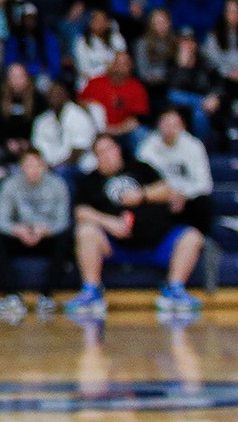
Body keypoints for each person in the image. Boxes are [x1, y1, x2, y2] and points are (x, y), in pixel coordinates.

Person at [66, 134, 206, 319]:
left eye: (109, 149)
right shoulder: (89, 181)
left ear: (118, 150)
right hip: (115, 246)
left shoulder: (141, 168)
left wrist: (142, 195)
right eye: (100, 152)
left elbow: (166, 190)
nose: (106, 155)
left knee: (192, 237)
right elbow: (81, 212)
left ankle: (175, 290)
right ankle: (92, 291)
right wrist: (109, 223)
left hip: (157, 243)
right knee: (86, 232)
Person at [0, 149, 75, 318]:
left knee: (67, 236)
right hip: (20, 236)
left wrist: (46, 230)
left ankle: (46, 295)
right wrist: (17, 230)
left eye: (37, 165)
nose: (33, 170)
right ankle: (13, 294)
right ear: (21, 168)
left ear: (44, 166)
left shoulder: (58, 185)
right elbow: (1, 221)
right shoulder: (10, 185)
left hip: (46, 237)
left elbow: (63, 221)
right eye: (28, 165)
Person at [137, 107, 214, 235]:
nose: (170, 129)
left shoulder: (194, 146)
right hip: (161, 198)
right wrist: (167, 195)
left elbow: (205, 184)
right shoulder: (147, 149)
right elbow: (143, 183)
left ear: (183, 126)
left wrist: (184, 195)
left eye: (174, 125)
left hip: (188, 197)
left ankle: (201, 241)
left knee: (203, 203)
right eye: (166, 124)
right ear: (158, 125)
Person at [79, 51, 150, 145]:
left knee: (140, 133)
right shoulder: (94, 83)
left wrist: (115, 130)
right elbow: (80, 104)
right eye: (116, 62)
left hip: (123, 133)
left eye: (124, 64)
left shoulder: (137, 88)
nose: (118, 67)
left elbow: (136, 120)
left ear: (130, 67)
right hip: (96, 131)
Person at [32, 82, 99, 177]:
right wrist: (43, 166)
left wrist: (56, 168)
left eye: (58, 94)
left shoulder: (78, 116)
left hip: (76, 166)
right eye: (51, 95)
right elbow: (36, 149)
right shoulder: (42, 121)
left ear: (66, 96)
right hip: (46, 167)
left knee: (61, 174)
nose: (54, 98)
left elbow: (78, 151)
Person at [166, 32, 221, 142]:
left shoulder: (205, 62)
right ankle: (200, 102)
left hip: (203, 106)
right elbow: (173, 90)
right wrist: (181, 66)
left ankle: (200, 148)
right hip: (179, 105)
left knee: (199, 113)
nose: (187, 45)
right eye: (184, 42)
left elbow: (218, 84)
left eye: (190, 41)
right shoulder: (171, 62)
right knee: (173, 96)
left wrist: (214, 96)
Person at [72, 9, 126, 91]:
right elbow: (83, 69)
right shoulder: (81, 42)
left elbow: (122, 63)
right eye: (96, 20)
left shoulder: (116, 38)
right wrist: (107, 68)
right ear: (90, 23)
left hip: (114, 82)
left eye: (103, 20)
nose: (99, 24)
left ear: (108, 23)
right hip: (88, 83)